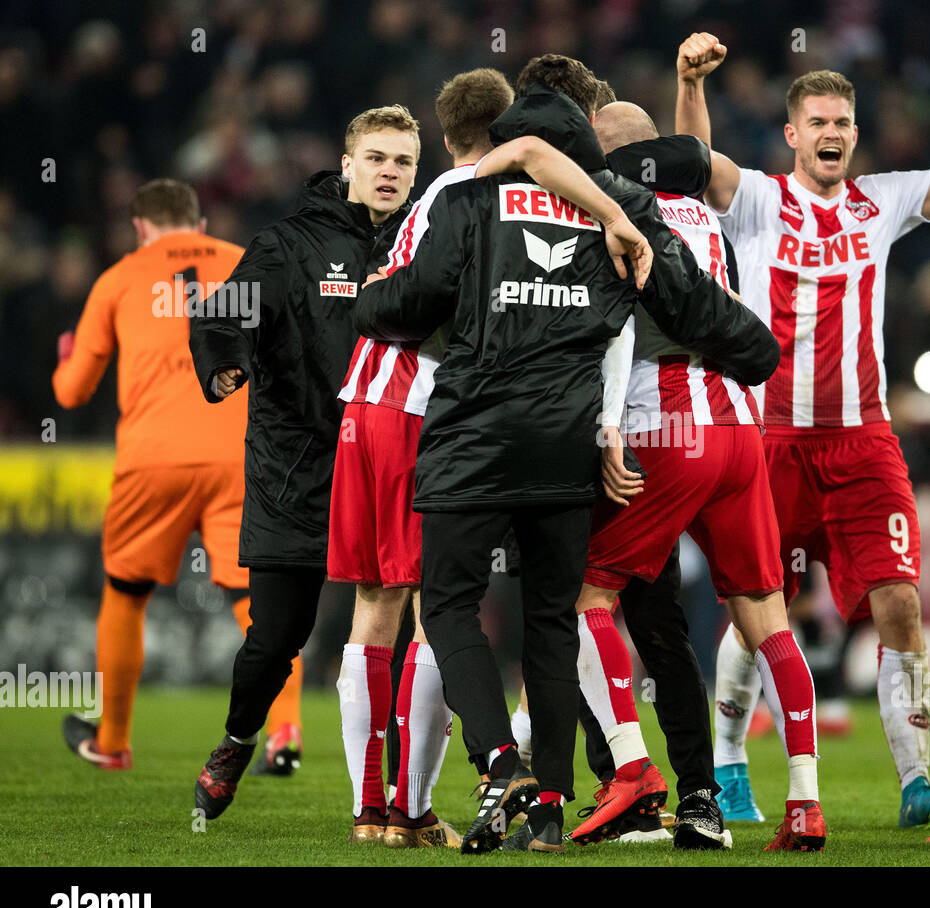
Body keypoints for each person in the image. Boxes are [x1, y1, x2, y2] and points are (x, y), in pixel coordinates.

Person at [353, 74, 778, 854]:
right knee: (550, 626)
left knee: (448, 607)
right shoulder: (623, 212)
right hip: (566, 450)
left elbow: (411, 303)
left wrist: (369, 296)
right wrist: (757, 353)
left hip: (472, 439)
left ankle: (497, 762)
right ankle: (548, 810)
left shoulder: (468, 199)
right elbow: (693, 305)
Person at [673, 31, 930, 827]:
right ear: (792, 134)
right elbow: (694, 161)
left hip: (863, 442)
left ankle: (916, 782)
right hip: (769, 439)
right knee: (760, 610)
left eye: (843, 121)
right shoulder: (758, 200)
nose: (831, 133)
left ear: (854, 134)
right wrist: (690, 81)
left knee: (899, 601)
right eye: (817, 122)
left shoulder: (881, 202)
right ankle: (729, 772)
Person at [567, 99, 824, 852]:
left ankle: (632, 768)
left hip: (665, 421)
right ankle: (804, 801)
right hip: (743, 430)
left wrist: (609, 428)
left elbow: (616, 326)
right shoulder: (704, 217)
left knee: (589, 596)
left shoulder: (615, 209)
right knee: (766, 618)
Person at [189, 105, 419, 821]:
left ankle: (392, 790)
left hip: (388, 467)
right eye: (377, 158)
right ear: (347, 164)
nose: (389, 172)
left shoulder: (429, 242)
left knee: (400, 631)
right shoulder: (289, 245)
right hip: (297, 469)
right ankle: (235, 739)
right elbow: (223, 313)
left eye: (404, 162)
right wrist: (227, 364)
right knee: (279, 635)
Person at [53, 179, 301, 770]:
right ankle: (284, 731)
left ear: (141, 228)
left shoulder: (118, 278)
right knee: (256, 599)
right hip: (240, 456)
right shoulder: (245, 262)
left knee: (126, 592)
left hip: (152, 462)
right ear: (201, 224)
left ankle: (111, 740)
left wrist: (67, 356)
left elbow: (71, 392)